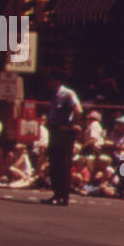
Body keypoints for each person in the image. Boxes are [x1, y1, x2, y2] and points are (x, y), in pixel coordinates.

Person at [42, 73, 82, 206]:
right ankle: (56, 193)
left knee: (63, 164)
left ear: (57, 81)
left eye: (51, 81)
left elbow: (78, 110)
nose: (48, 84)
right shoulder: (55, 95)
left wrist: (71, 125)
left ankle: (63, 196)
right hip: (54, 131)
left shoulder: (67, 94)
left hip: (63, 132)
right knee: (54, 163)